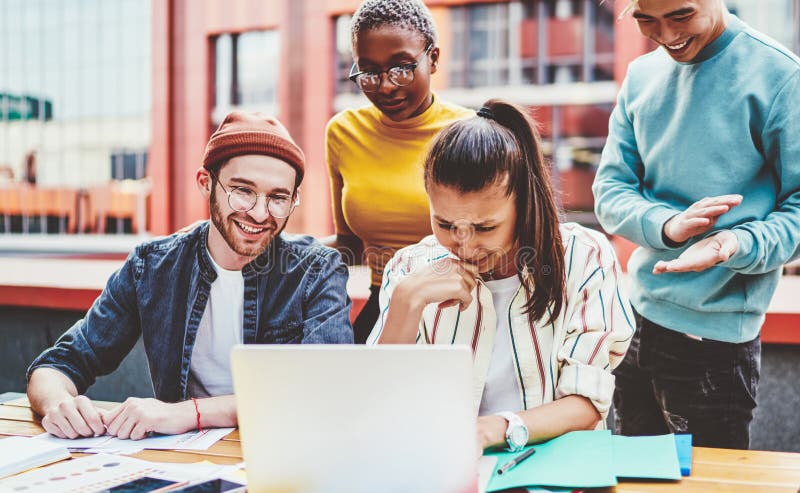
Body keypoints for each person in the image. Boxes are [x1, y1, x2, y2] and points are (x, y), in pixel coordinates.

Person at [27, 112, 353, 440]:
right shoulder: (152, 267)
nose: (259, 213)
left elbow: (325, 390)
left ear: (294, 199)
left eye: (278, 197)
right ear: (205, 183)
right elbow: (58, 364)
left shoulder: (317, 270)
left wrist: (188, 412)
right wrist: (59, 405)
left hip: (282, 452)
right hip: (183, 462)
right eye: (242, 191)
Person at [369, 99, 634, 451]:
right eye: (445, 224)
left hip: (554, 470)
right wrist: (406, 301)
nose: (463, 244)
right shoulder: (409, 268)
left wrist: (489, 430)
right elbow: (379, 406)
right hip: (445, 468)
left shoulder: (585, 257)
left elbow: (585, 404)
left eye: (485, 227)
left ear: (523, 204)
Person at [593, 0, 800, 449]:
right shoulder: (641, 76)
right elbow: (610, 193)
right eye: (646, 19)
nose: (665, 35)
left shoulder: (781, 76)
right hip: (635, 322)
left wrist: (735, 243)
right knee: (631, 481)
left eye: (681, 16)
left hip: (716, 343)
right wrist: (669, 226)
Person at [326, 0, 473, 343]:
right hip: (382, 307)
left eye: (401, 68)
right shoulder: (343, 133)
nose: (386, 86)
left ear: (433, 58)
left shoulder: (468, 131)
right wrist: (265, 249)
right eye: (369, 72)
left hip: (460, 312)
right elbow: (349, 246)